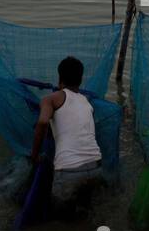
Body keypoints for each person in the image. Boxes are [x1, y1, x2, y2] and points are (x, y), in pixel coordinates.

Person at [30, 56, 105, 218]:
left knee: (60, 220)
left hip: (69, 171)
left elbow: (42, 122)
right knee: (84, 213)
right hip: (96, 167)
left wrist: (34, 156)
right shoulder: (86, 102)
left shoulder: (50, 99)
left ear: (60, 79)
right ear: (80, 80)